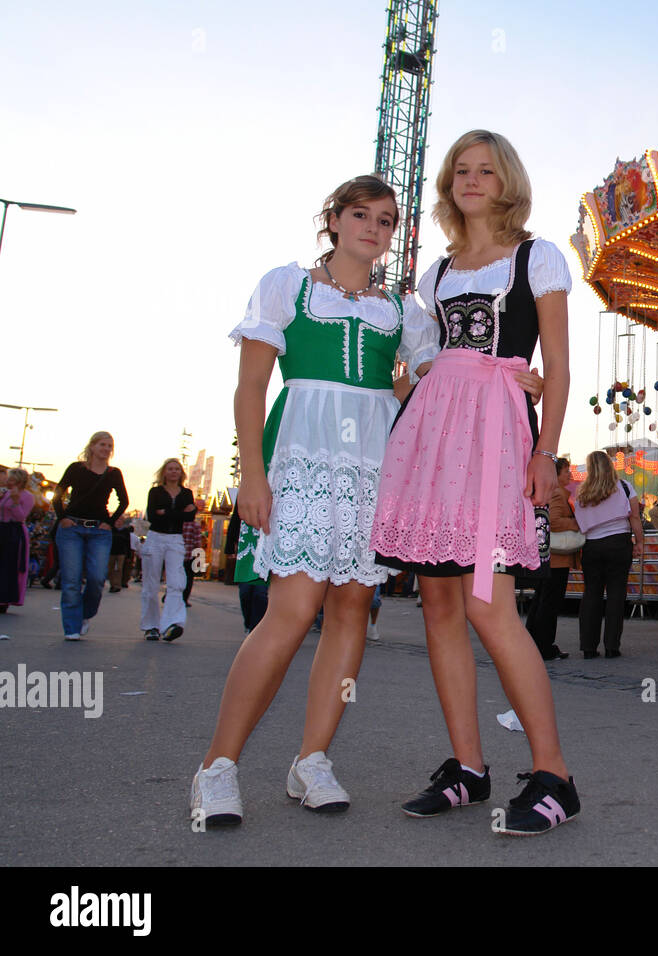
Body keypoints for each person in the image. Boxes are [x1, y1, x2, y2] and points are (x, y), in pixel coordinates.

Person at [190, 174, 441, 827]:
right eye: (361, 214)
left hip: (372, 464)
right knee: (293, 608)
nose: (373, 228)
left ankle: (312, 759)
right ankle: (218, 766)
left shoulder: (404, 312)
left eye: (386, 221)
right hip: (302, 452)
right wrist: (252, 475)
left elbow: (428, 382)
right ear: (333, 219)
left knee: (353, 606)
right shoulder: (286, 285)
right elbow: (250, 388)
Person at [368, 131, 580, 835]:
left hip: (496, 435)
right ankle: (467, 765)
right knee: (437, 604)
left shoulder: (534, 257)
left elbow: (559, 365)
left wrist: (546, 449)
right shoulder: (437, 272)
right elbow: (431, 359)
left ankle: (554, 774)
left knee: (490, 606)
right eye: (461, 170)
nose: (471, 179)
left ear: (507, 180)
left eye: (485, 169)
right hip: (436, 437)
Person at [52, 432, 128, 640]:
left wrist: (109, 523)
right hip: (71, 528)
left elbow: (124, 501)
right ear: (92, 446)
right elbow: (59, 492)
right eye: (102, 444)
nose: (105, 448)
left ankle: (85, 614)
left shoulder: (113, 473)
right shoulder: (76, 468)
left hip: (98, 530)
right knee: (72, 579)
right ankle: (71, 628)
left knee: (96, 578)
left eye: (109, 445)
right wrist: (62, 518)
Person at [573, 451, 643, 659]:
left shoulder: (582, 492)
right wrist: (640, 542)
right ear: (610, 465)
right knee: (616, 594)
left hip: (592, 545)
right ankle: (612, 646)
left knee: (591, 594)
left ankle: (588, 646)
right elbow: (636, 517)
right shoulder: (624, 487)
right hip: (619, 542)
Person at [526, 457, 578, 661]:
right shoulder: (557, 494)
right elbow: (553, 521)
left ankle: (534, 641)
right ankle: (544, 645)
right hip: (557, 557)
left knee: (542, 600)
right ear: (557, 474)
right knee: (549, 603)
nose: (570, 475)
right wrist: (576, 523)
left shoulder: (554, 493)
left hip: (549, 556)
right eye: (566, 471)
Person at [140, 458, 196, 641]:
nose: (173, 472)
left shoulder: (187, 493)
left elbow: (190, 517)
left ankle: (172, 624)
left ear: (181, 473)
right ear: (164, 472)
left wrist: (166, 512)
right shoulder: (155, 492)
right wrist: (180, 512)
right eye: (170, 469)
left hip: (175, 540)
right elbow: (153, 517)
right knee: (151, 583)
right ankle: (151, 626)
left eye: (177, 469)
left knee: (176, 582)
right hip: (155, 538)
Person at [0, 468, 35, 613]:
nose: (8, 482)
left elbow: (21, 517)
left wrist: (15, 502)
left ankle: (5, 599)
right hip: (1, 529)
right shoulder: (5, 493)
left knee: (9, 565)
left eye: (11, 479)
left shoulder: (27, 496)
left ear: (20, 481)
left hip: (14, 532)